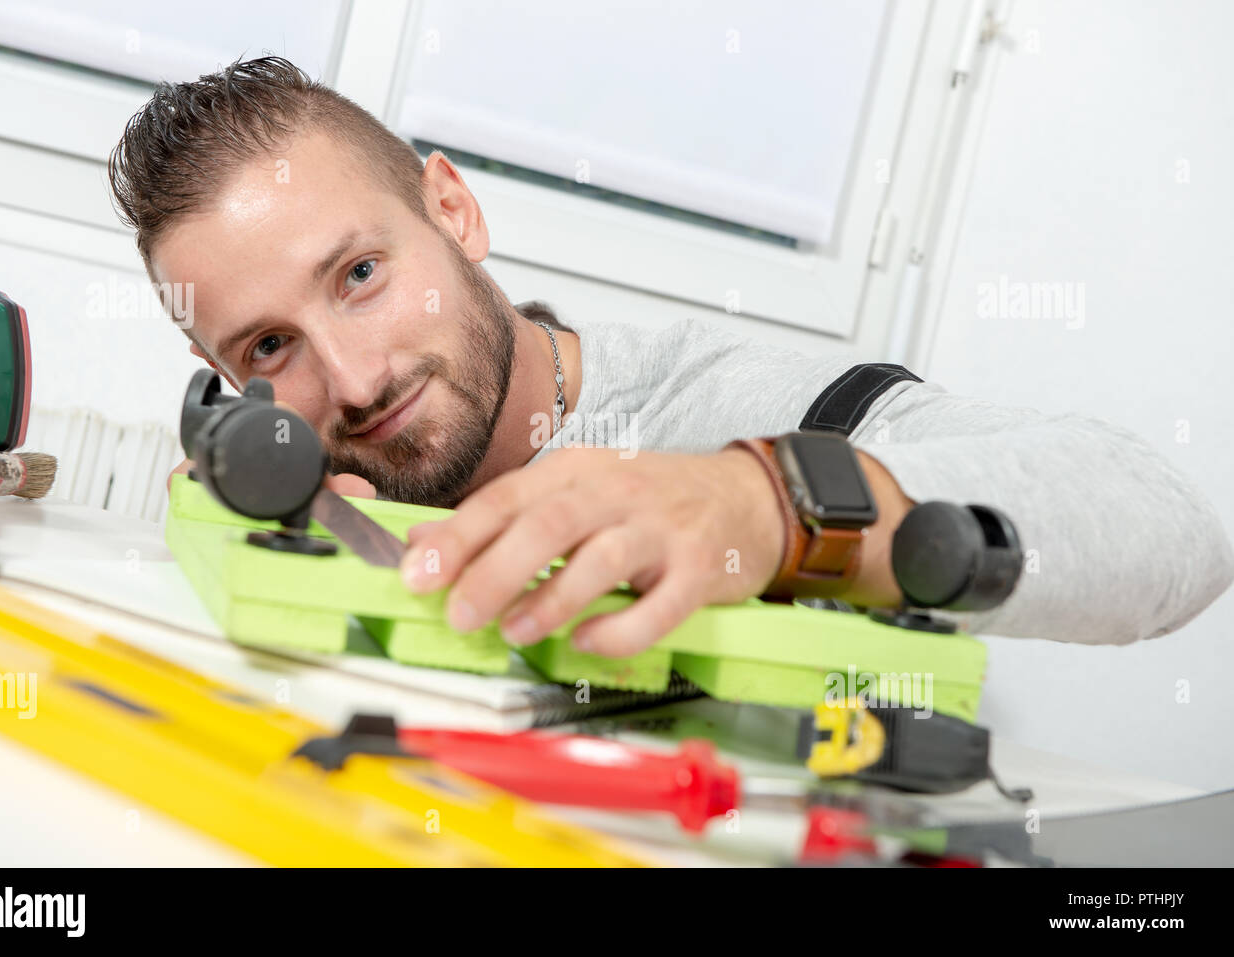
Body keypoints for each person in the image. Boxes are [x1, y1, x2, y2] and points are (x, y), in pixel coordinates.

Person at [110, 57, 1232, 657]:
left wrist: (765, 505)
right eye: (270, 347)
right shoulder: (328, 498)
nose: (352, 383)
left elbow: (1169, 530)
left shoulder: (760, 412)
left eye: (359, 275)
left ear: (451, 211)